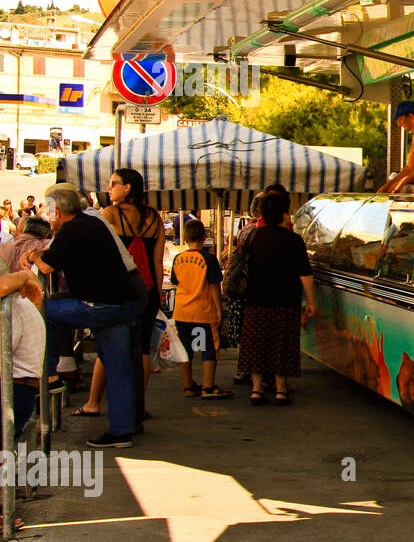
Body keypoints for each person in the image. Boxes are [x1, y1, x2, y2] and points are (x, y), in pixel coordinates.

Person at [21, 186, 140, 448]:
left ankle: (51, 373)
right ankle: (122, 432)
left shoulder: (70, 229)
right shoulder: (91, 221)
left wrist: (33, 254)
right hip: (124, 301)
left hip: (100, 305)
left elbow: (46, 266)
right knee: (119, 367)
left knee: (42, 310)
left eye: (47, 208)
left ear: (58, 210)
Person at [76, 169, 164, 427]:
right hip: (146, 290)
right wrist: (157, 293)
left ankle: (93, 402)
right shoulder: (153, 218)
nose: (109, 187)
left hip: (119, 288)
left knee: (109, 344)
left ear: (127, 188)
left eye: (113, 183)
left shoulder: (110, 214)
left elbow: (98, 254)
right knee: (143, 349)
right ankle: (138, 406)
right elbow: (157, 261)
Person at [237, 192, 315, 405]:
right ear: (283, 214)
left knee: (258, 344)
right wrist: (311, 301)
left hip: (256, 301)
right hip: (285, 302)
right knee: (282, 344)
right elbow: (304, 273)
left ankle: (256, 389)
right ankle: (281, 390)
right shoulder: (294, 240)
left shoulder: (254, 237)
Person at [171, 218, 231, 400]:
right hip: (202, 313)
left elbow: (176, 284)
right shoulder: (208, 260)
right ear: (204, 237)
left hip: (181, 312)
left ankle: (188, 385)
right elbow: (214, 288)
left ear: (185, 237)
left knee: (185, 349)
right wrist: (219, 311)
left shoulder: (178, 259)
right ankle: (208, 386)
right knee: (208, 348)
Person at [0, 268, 46, 436]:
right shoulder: (11, 300)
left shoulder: (7, 306)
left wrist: (24, 275)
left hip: (14, 395)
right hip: (16, 391)